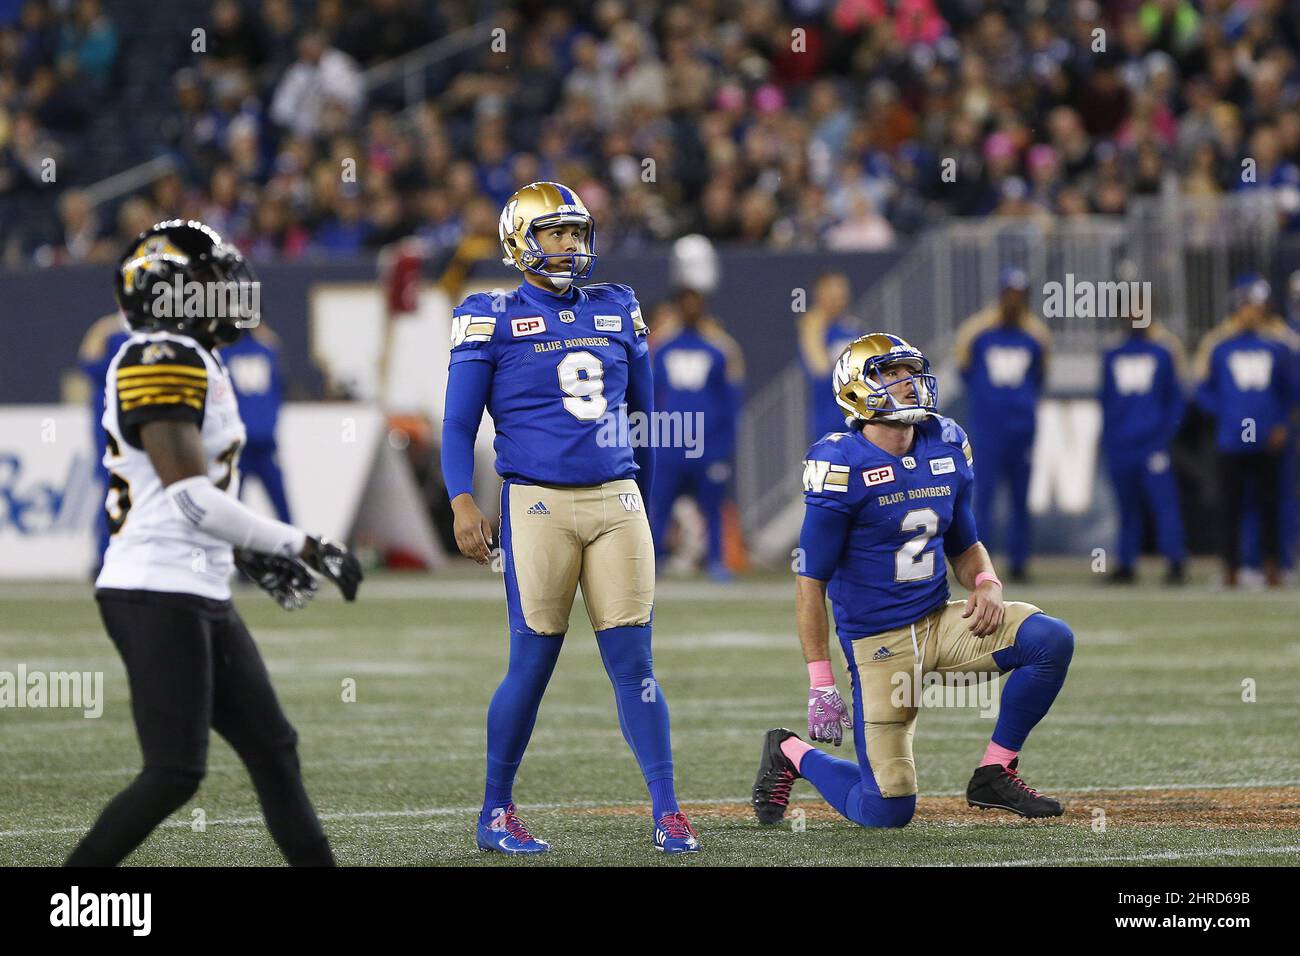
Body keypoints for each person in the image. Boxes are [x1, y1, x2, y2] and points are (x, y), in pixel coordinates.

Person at [66, 220, 362, 867]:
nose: (227, 292)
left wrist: (247, 548)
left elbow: (203, 497)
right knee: (174, 772)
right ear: (162, 293)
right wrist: (302, 545)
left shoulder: (201, 355)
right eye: (206, 282)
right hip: (151, 587)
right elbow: (189, 497)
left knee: (274, 748)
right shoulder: (157, 355)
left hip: (195, 583)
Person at [440, 182, 699, 855]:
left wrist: (648, 498)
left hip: (617, 502)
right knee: (531, 663)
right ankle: (495, 811)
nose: (569, 244)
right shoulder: (488, 313)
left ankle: (668, 810)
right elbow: (459, 422)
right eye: (555, 232)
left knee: (636, 664)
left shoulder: (617, 307)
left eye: (576, 233)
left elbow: (643, 417)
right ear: (521, 240)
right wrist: (461, 498)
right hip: (536, 504)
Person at [752, 333, 1074, 829]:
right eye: (891, 374)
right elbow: (810, 582)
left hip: (940, 623)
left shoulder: (944, 440)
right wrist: (820, 681)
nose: (908, 382)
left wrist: (986, 581)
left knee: (1050, 639)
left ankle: (995, 769)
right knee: (887, 810)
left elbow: (965, 545)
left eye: (909, 371)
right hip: (877, 644)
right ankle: (792, 752)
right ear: (857, 389)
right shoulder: (842, 463)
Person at [1193, 274, 1298, 588]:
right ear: (1239, 305)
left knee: (1270, 506)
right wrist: (1226, 412)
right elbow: (1202, 390)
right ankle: (1232, 569)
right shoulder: (1221, 345)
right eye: (1250, 304)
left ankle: (1272, 567)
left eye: (1259, 305)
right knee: (1231, 507)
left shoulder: (1278, 344)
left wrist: (1282, 423)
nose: (1255, 310)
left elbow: (1290, 390)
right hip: (1232, 439)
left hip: (1266, 437)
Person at [953, 267, 1052, 581]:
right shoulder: (980, 333)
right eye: (1009, 293)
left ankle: (1020, 561)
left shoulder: (1034, 336)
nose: (1013, 300)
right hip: (989, 428)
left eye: (1018, 295)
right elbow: (965, 369)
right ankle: (980, 565)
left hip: (1021, 429)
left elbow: (1040, 375)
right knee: (983, 497)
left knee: (1020, 497)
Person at [649, 260, 744, 582]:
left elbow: (729, 399)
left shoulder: (718, 349)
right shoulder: (663, 348)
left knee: (713, 508)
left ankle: (717, 562)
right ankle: (653, 562)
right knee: (659, 507)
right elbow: (649, 395)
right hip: (671, 445)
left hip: (707, 446)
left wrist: (722, 445)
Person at [1099, 308, 1188, 584]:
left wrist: (1163, 437)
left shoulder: (1163, 352)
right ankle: (1126, 562)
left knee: (1164, 505)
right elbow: (1106, 400)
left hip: (1152, 445)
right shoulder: (1112, 354)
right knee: (1126, 508)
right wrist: (1111, 438)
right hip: (1122, 444)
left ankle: (1175, 561)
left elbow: (1175, 399)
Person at [77, 312, 131, 568]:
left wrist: (98, 331)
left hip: (137, 431)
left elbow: (87, 362)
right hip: (118, 434)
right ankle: (105, 557)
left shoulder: (120, 338)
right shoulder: (116, 338)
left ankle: (109, 558)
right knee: (114, 493)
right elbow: (88, 365)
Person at [221, 324, 291, 523]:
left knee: (231, 511)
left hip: (240, 442)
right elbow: (279, 390)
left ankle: (232, 551)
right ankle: (296, 551)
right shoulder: (268, 350)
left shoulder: (224, 353)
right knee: (284, 512)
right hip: (264, 439)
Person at [797, 271, 860, 444]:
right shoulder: (813, 328)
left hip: (858, 417)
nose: (839, 294)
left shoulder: (850, 327)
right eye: (832, 289)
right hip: (829, 420)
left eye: (842, 288)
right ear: (820, 293)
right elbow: (820, 370)